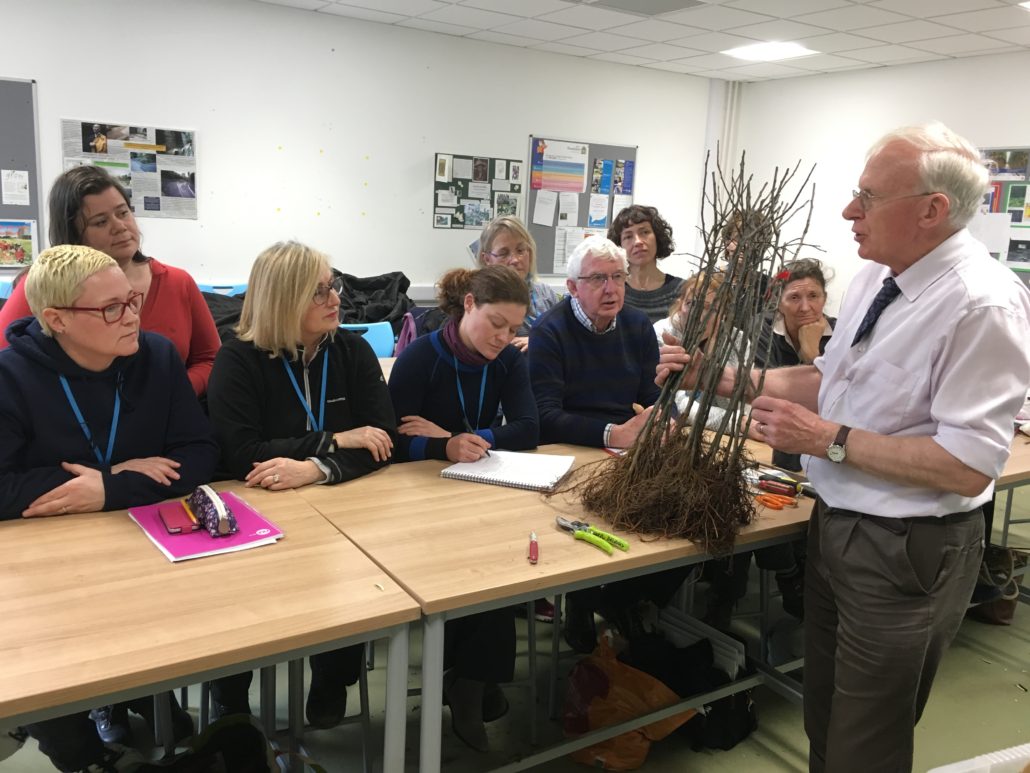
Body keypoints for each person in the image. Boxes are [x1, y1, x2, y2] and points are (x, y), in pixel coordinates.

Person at [657, 122, 1030, 772]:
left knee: (866, 742)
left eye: (868, 197)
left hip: (904, 547)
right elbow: (829, 379)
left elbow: (968, 467)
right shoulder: (877, 277)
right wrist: (718, 378)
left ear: (932, 210)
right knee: (825, 720)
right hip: (834, 525)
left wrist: (825, 439)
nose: (849, 211)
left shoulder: (981, 304)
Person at [0, 244, 219, 772]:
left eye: (133, 300)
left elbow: (200, 454)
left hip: (143, 545)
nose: (132, 317)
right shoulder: (10, 376)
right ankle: (82, 751)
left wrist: (109, 488)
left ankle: (141, 698)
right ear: (56, 320)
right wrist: (114, 475)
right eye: (111, 308)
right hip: (47, 571)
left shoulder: (157, 357)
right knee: (50, 673)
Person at [206, 240, 396, 727]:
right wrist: (334, 439)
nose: (335, 299)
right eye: (318, 292)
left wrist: (315, 467)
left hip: (337, 504)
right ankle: (231, 698)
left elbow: (381, 440)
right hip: (261, 509)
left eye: (333, 286)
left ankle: (332, 678)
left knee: (352, 578)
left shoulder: (352, 351)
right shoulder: (237, 360)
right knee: (236, 600)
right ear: (283, 298)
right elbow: (242, 453)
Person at [387, 265, 534, 751]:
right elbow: (392, 441)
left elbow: (529, 427)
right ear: (469, 304)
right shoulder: (420, 358)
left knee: (502, 567)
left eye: (513, 328)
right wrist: (443, 447)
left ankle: (470, 682)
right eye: (496, 323)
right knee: (472, 568)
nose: (504, 337)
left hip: (478, 488)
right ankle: (473, 684)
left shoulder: (508, 360)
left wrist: (463, 438)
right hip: (417, 499)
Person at [529, 235, 688, 652]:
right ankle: (584, 600)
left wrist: (665, 423)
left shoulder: (636, 325)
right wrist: (612, 434)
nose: (611, 288)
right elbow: (544, 416)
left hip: (628, 447)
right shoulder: (550, 331)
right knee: (592, 515)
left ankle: (621, 599)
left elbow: (654, 394)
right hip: (570, 451)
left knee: (680, 512)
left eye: (618, 277)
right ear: (572, 287)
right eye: (598, 279)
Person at [0, 166, 220, 396]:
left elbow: (210, 359)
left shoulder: (177, 282)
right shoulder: (42, 286)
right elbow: (6, 368)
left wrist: (171, 393)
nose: (120, 227)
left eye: (123, 213)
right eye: (100, 222)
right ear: (73, 234)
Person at [475, 216, 560, 351]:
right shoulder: (480, 298)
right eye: (504, 253)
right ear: (487, 259)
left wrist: (536, 341)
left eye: (520, 251)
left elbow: (563, 337)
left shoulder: (546, 294)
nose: (515, 260)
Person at [608, 204, 683, 324]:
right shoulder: (612, 289)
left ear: (657, 237)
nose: (638, 242)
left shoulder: (682, 290)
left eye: (645, 232)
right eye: (628, 236)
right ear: (619, 245)